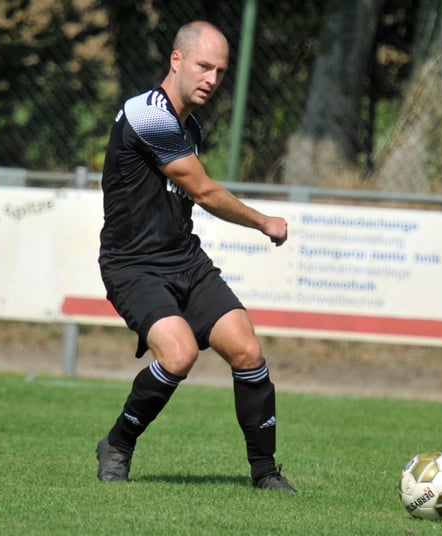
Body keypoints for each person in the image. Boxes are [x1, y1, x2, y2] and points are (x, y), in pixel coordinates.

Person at [94, 20, 296, 493]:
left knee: (247, 349)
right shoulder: (147, 114)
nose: (212, 79)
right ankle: (117, 444)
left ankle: (265, 472)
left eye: (220, 71)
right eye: (204, 66)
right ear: (177, 59)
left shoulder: (191, 127)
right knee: (179, 353)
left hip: (185, 260)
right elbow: (203, 192)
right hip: (133, 266)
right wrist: (264, 221)